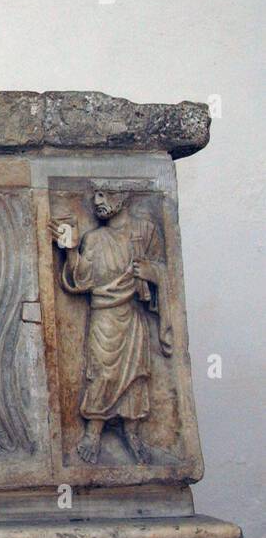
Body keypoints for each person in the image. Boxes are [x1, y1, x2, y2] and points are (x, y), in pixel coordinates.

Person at [52, 188, 170, 464]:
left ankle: (132, 432)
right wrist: (70, 251)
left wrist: (154, 274)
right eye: (96, 196)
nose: (97, 201)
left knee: (136, 375)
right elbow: (81, 281)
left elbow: (167, 276)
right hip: (104, 316)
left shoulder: (145, 231)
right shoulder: (94, 239)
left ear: (124, 196)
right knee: (103, 373)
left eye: (104, 195)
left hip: (132, 316)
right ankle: (93, 433)